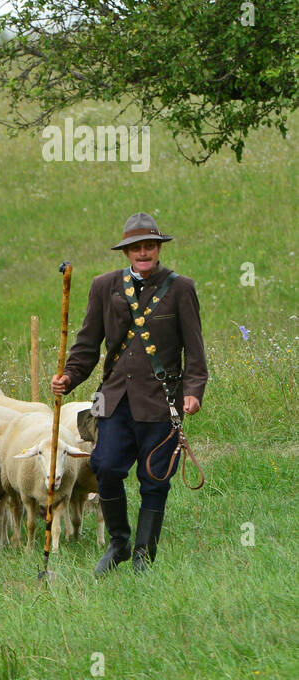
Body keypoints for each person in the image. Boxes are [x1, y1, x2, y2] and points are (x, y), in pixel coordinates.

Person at [51, 212, 207, 575]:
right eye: (136, 247)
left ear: (158, 249)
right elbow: (87, 345)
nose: (143, 252)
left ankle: (143, 557)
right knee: (104, 466)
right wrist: (68, 377)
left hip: (162, 401)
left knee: (155, 479)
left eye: (149, 246)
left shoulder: (181, 288)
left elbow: (195, 350)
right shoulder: (103, 286)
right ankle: (118, 542)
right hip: (114, 399)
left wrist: (194, 391)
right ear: (126, 252)